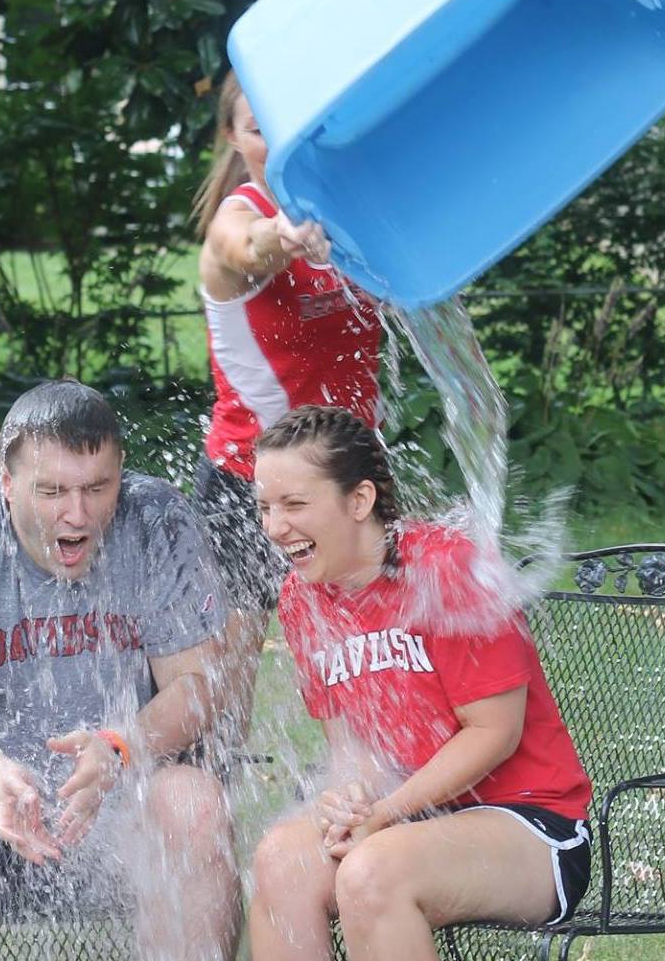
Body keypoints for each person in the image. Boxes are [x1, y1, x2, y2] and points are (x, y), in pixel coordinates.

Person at [0, 379, 239, 961]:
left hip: (129, 800)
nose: (76, 514)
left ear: (121, 473)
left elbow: (199, 686)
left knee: (196, 802)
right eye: (51, 491)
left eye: (96, 488)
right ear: (6, 484)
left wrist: (119, 745)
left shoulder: (157, 521)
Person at [248, 405, 593, 961]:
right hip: (414, 820)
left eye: (294, 504)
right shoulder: (303, 599)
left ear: (358, 501)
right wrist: (351, 800)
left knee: (370, 874)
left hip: (531, 824)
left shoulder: (446, 570)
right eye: (265, 507)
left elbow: (494, 733)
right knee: (279, 861)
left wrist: (387, 813)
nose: (274, 527)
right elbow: (353, 748)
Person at [192, 71, 383, 742]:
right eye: (257, 128)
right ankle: (206, 817)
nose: (279, 139)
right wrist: (285, 236)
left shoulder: (358, 213)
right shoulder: (234, 220)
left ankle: (366, 814)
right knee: (223, 681)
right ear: (232, 138)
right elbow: (242, 247)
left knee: (370, 660)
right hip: (248, 485)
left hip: (349, 481)